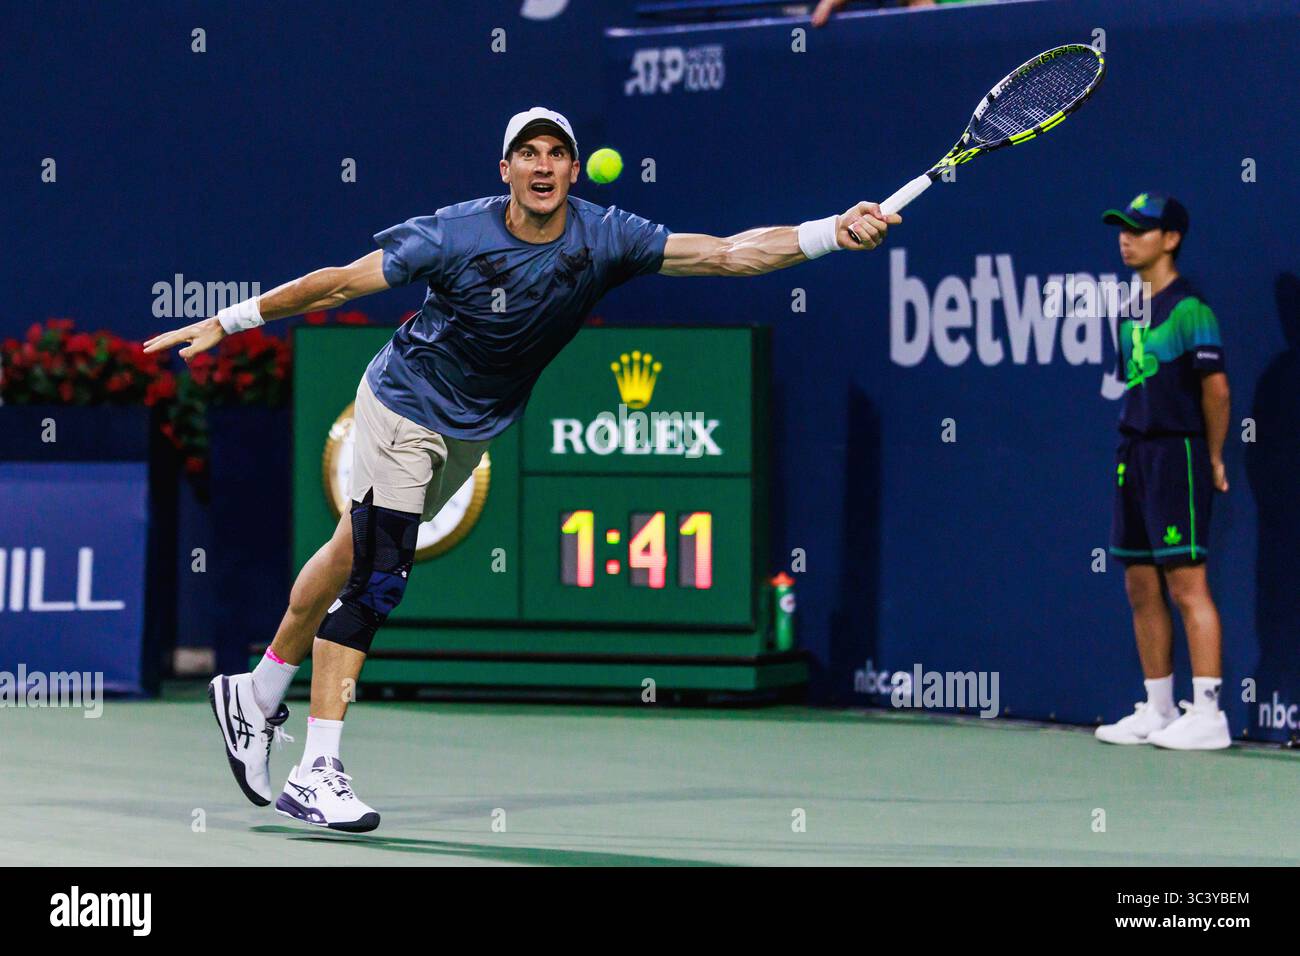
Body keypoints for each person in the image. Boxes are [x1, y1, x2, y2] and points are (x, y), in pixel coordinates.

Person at [144, 106, 902, 831]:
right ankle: (317, 770)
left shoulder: (608, 236)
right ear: (505, 168)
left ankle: (256, 691)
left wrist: (830, 233)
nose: (543, 166)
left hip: (471, 427)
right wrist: (228, 319)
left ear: (574, 169)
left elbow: (729, 253)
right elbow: (341, 281)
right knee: (378, 575)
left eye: (556, 154)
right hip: (402, 406)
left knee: (350, 550)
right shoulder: (453, 233)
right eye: (529, 154)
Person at [1093, 192, 1232, 751]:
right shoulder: (1129, 308)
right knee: (1140, 583)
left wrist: (1214, 455)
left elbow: (1216, 391)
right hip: (1135, 456)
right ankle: (1158, 706)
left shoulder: (1191, 310)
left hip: (1179, 455)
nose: (1126, 238)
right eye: (1122, 228)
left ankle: (1209, 714)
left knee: (1186, 584)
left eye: (1140, 230)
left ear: (1171, 238)